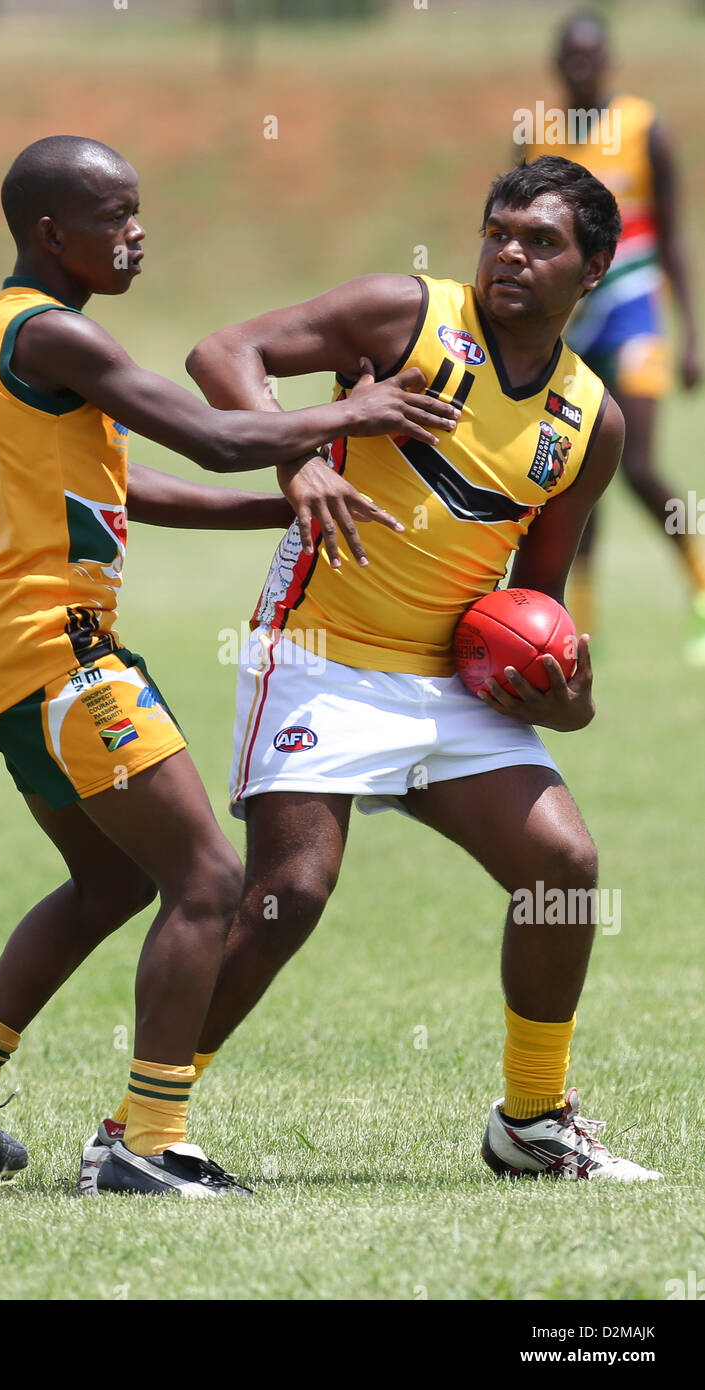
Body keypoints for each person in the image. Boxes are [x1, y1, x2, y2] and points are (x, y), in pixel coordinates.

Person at [0, 135, 458, 1199]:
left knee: (111, 878)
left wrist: (283, 502)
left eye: (139, 211)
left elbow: (129, 488)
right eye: (113, 217)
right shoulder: (60, 338)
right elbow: (207, 432)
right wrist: (350, 415)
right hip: (61, 652)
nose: (136, 233)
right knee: (206, 881)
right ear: (49, 233)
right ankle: (144, 1143)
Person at [87, 155, 664, 1187]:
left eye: (540, 242)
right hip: (319, 653)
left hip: (446, 679)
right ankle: (137, 1131)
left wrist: (564, 692)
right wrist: (296, 452)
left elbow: (536, 600)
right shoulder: (407, 315)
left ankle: (532, 1120)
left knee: (563, 872)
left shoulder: (589, 421)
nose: (509, 255)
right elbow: (225, 350)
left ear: (592, 271)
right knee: (287, 894)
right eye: (498, 232)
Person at [525, 10, 703, 657]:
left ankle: (700, 586)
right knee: (574, 475)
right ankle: (574, 627)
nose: (580, 66)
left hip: (633, 314)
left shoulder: (642, 127)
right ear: (556, 62)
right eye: (568, 55)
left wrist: (691, 333)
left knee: (636, 466)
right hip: (570, 324)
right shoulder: (541, 137)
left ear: (608, 61)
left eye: (590, 55)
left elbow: (674, 234)